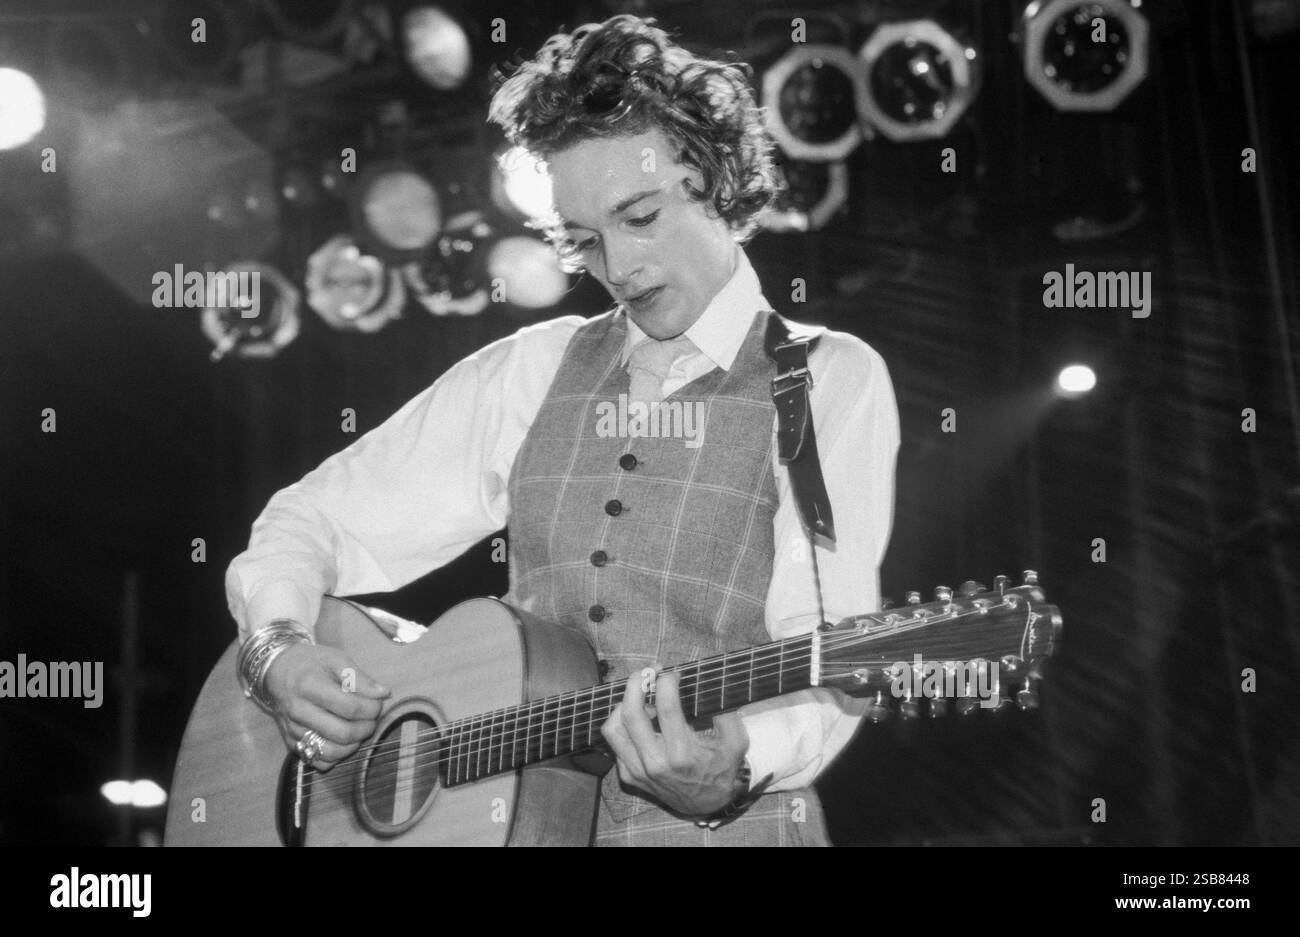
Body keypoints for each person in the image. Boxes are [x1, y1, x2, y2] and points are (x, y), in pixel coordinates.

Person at [225, 13, 899, 846]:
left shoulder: (826, 377)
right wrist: (279, 651)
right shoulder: (533, 368)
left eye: (640, 216)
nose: (619, 268)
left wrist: (736, 756)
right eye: (585, 241)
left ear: (717, 179)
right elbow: (305, 520)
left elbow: (827, 659)